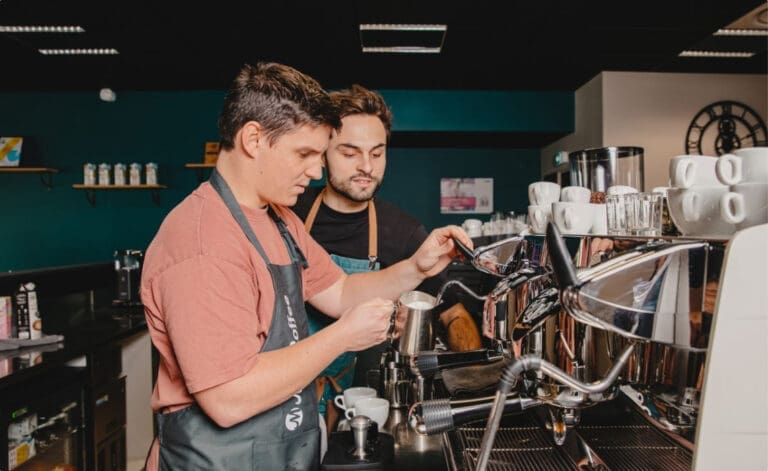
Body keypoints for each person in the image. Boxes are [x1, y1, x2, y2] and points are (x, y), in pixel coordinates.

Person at [140, 62, 471, 470]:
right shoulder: (202, 244)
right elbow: (228, 396)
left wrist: (418, 267)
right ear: (253, 139)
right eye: (305, 154)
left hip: (280, 443)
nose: (316, 171)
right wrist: (343, 337)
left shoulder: (278, 219)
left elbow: (341, 292)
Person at [292, 84, 444, 422]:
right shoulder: (289, 214)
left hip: (360, 405)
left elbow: (446, 310)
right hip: (285, 398)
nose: (366, 166)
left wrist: (408, 320)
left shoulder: (403, 230)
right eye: (349, 153)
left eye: (377, 153)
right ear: (322, 152)